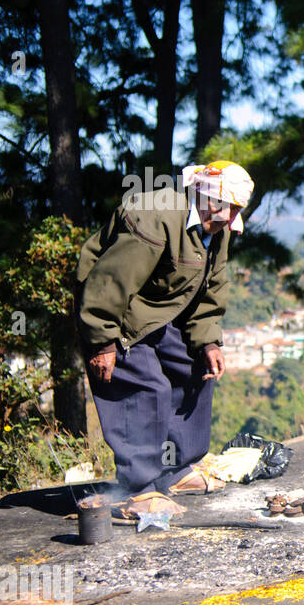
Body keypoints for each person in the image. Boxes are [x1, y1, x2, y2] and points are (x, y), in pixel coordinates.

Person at [77, 160, 253, 502]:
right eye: (227, 209)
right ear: (207, 199)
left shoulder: (219, 228)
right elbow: (110, 281)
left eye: (235, 211)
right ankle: (138, 488)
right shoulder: (155, 216)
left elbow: (212, 286)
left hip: (159, 311)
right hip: (115, 311)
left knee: (196, 368)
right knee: (148, 387)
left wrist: (208, 341)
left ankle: (176, 470)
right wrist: (102, 341)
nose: (231, 220)